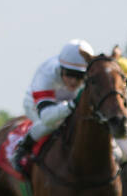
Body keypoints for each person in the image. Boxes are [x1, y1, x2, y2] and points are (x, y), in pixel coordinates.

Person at [11, 39, 95, 172]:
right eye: (69, 74)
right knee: (54, 123)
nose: (74, 81)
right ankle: (22, 149)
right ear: (61, 69)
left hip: (66, 101)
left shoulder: (90, 75)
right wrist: (72, 106)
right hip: (35, 104)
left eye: (79, 76)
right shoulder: (47, 74)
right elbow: (47, 117)